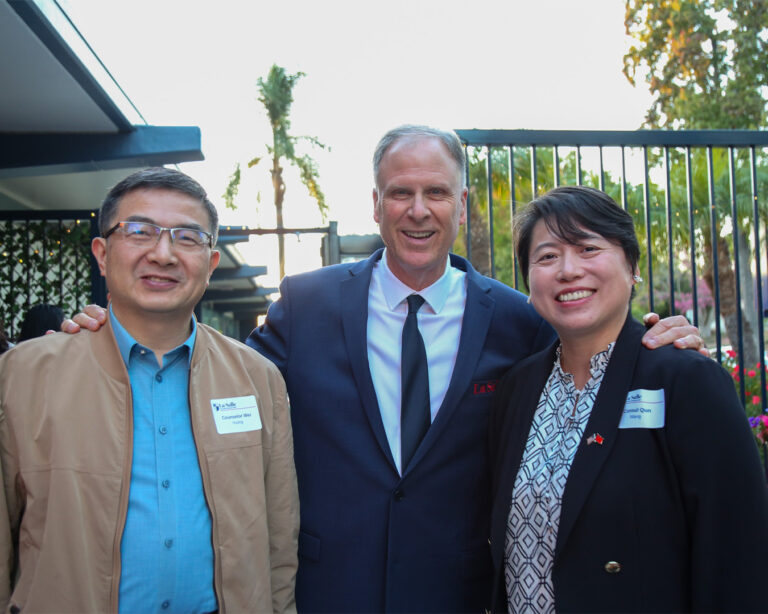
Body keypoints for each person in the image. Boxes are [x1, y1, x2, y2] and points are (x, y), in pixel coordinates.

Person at [64, 127, 703, 613]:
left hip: (456, 593)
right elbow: (214, 376)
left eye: (436, 193)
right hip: (329, 590)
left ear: (461, 204)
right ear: (376, 204)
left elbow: (588, 352)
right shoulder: (308, 304)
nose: (418, 209)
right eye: (401, 192)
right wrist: (117, 333)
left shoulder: (517, 318)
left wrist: (656, 334)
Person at [0, 168, 298, 613]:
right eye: (139, 232)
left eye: (187, 237)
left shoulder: (257, 379)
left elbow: (279, 538)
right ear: (102, 254)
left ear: (210, 263)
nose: (163, 254)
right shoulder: (23, 376)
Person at [488, 186, 768, 613]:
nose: (568, 270)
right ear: (528, 282)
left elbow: (737, 555)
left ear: (633, 266)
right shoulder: (517, 389)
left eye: (588, 248)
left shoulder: (686, 381)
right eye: (547, 256)